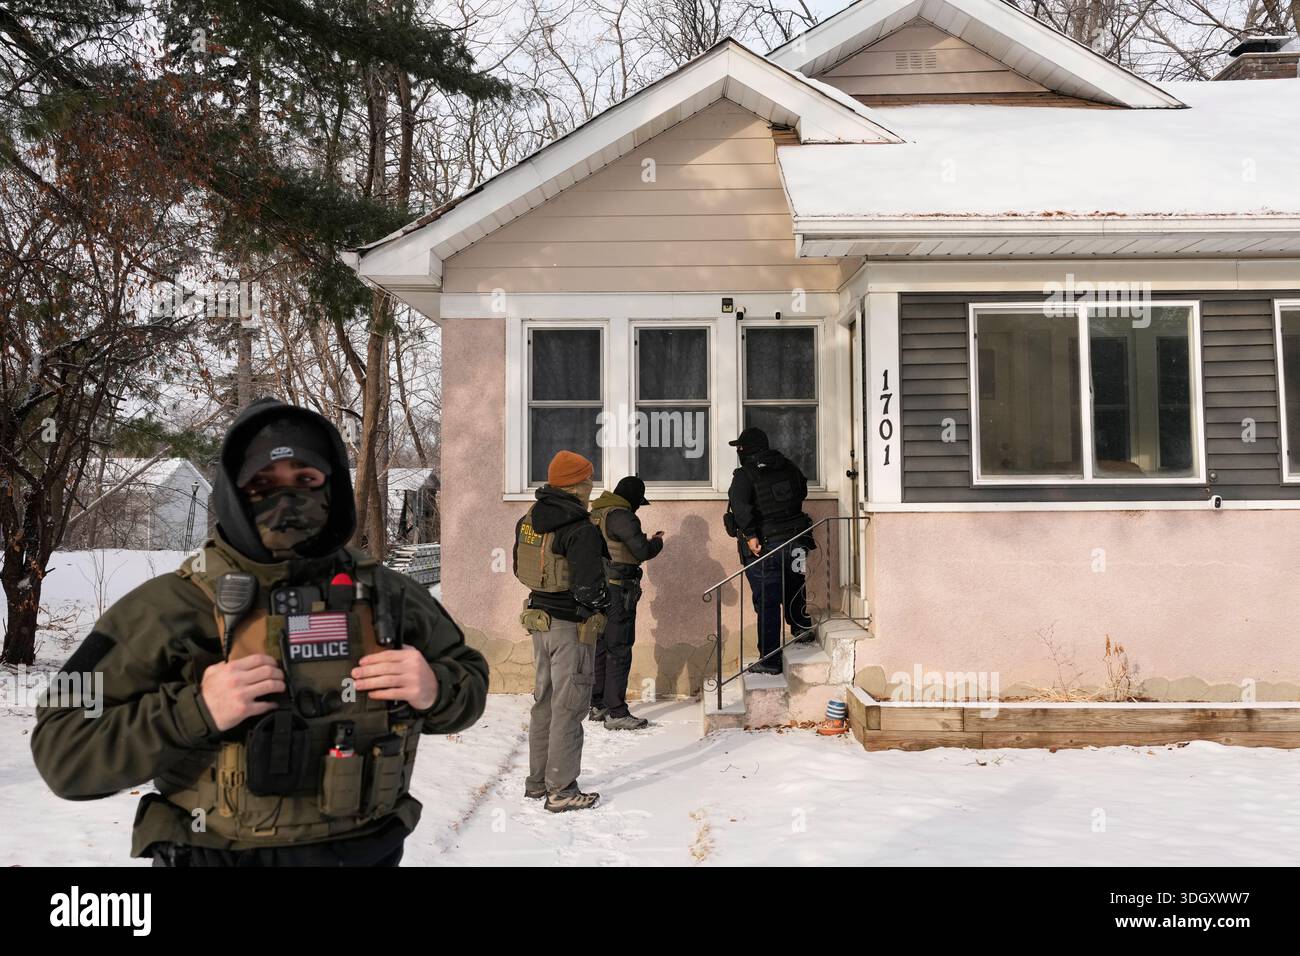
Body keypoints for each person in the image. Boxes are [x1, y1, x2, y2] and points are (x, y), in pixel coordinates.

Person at [30, 398, 488, 866]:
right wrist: (196, 711)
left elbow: (469, 680)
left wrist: (436, 688)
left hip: (368, 853)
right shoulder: (169, 607)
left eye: (306, 480)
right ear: (233, 492)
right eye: (263, 484)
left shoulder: (390, 594)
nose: (287, 500)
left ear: (335, 490)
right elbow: (63, 754)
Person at [514, 450, 609, 812]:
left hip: (539, 621)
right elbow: (589, 588)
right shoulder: (579, 528)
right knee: (569, 707)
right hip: (571, 627)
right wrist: (604, 606)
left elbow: (517, 565)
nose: (591, 486)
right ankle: (562, 791)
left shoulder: (529, 520)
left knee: (545, 702)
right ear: (575, 485)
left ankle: (538, 782)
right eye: (588, 480)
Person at [724, 427, 816, 676]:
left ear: (746, 450)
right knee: (796, 584)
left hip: (766, 546)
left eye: (740, 448)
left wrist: (751, 535)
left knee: (767, 601)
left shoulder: (744, 475)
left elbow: (740, 508)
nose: (738, 453)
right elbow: (802, 489)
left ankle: (771, 660)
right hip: (797, 540)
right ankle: (800, 628)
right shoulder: (787, 465)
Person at [588, 476, 663, 730]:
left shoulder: (596, 512)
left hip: (598, 587)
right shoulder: (623, 515)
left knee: (601, 644)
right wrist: (657, 541)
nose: (638, 508)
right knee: (619, 648)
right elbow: (642, 551)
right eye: (638, 504)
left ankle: (598, 704)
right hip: (619, 590)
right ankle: (617, 712)